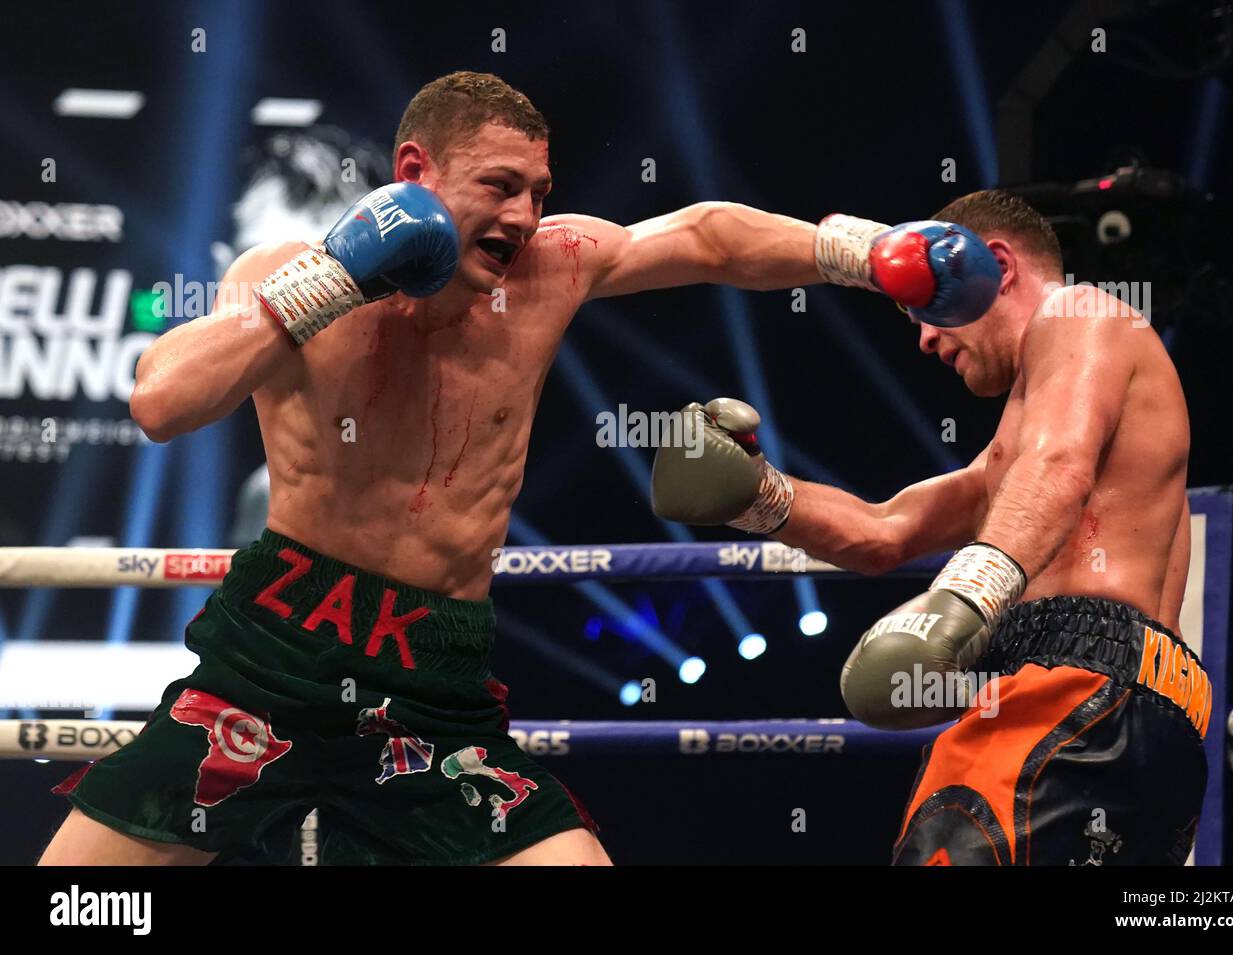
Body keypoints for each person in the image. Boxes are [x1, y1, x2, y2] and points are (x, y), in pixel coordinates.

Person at [39, 71, 997, 866]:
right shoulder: (290, 271)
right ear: (414, 173)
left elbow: (707, 237)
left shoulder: (550, 269)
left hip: (435, 677)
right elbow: (159, 401)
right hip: (271, 659)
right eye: (500, 185)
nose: (527, 214)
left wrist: (872, 252)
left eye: (539, 189)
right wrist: (336, 276)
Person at [653, 189, 1207, 865]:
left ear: (997, 264)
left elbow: (1059, 465)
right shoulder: (1020, 453)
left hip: (1074, 692)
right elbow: (886, 531)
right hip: (1159, 716)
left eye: (929, 308)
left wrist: (965, 598)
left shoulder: (1080, 312)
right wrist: (756, 495)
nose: (923, 336)